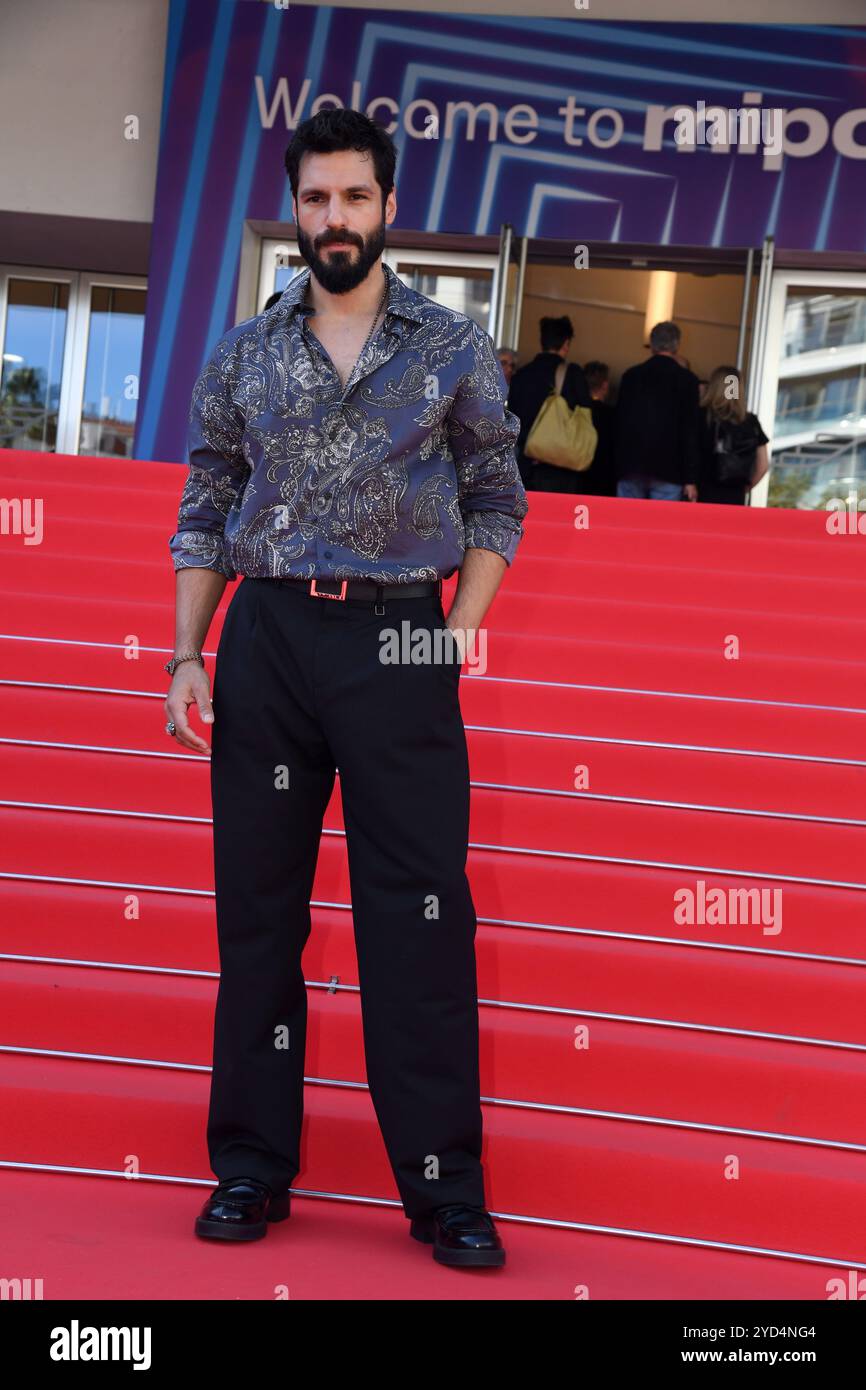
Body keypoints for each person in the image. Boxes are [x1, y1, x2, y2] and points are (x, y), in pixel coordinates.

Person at [164, 108, 527, 1268]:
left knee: (418, 922)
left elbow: (496, 499)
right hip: (267, 638)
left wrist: (455, 631)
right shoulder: (241, 351)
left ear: (385, 207)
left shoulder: (452, 347)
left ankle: (443, 1193)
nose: (334, 220)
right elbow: (205, 508)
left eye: (354, 199)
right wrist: (186, 651)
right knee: (258, 915)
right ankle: (250, 1168)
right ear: (296, 206)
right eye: (315, 200)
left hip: (399, 643)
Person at [614, 321, 701, 501]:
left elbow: (619, 423)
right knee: (659, 526)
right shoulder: (688, 381)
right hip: (669, 468)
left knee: (627, 525)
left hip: (632, 466)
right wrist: (690, 478)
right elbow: (689, 431)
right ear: (677, 345)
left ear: (651, 344)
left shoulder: (631, 376)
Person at [507, 315, 592, 491]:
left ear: (542, 341)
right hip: (561, 469)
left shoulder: (520, 376)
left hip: (525, 465)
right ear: (566, 344)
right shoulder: (573, 374)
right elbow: (586, 415)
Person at [697, 365, 769, 505]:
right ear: (739, 389)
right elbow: (763, 464)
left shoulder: (703, 416)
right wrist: (746, 488)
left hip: (705, 491)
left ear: (714, 387)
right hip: (736, 493)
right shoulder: (750, 421)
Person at [582, 360, 617, 496]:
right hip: (604, 476)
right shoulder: (611, 415)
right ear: (605, 385)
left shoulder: (576, 412)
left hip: (579, 475)